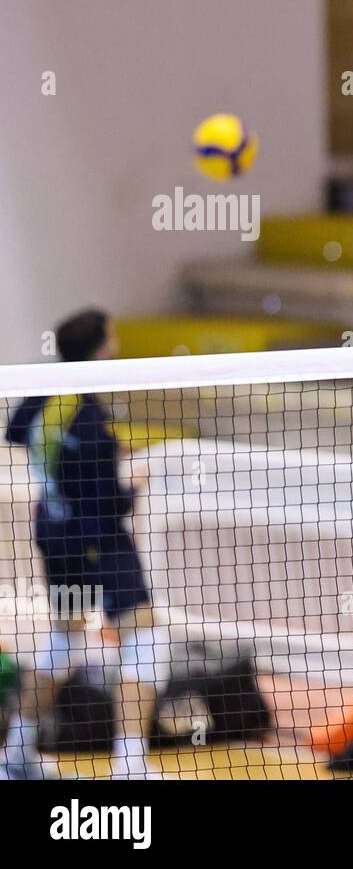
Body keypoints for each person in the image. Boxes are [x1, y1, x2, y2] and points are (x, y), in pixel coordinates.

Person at [3, 309, 165, 778]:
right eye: (111, 334)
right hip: (98, 540)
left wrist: (98, 453)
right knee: (147, 637)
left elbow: (19, 431)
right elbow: (112, 503)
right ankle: (130, 765)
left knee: (64, 637)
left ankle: (15, 754)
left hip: (54, 533)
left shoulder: (48, 393)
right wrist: (133, 481)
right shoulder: (90, 417)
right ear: (101, 347)